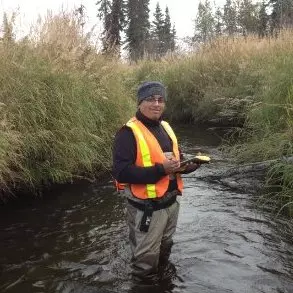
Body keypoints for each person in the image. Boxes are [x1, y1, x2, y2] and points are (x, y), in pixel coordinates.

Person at [112, 81, 199, 281]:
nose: (156, 104)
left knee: (164, 250)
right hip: (147, 208)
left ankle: (162, 281)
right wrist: (161, 170)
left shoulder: (166, 127)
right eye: (150, 99)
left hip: (170, 204)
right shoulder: (128, 133)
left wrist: (188, 166)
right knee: (145, 264)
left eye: (160, 99)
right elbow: (121, 173)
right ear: (140, 102)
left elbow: (174, 162)